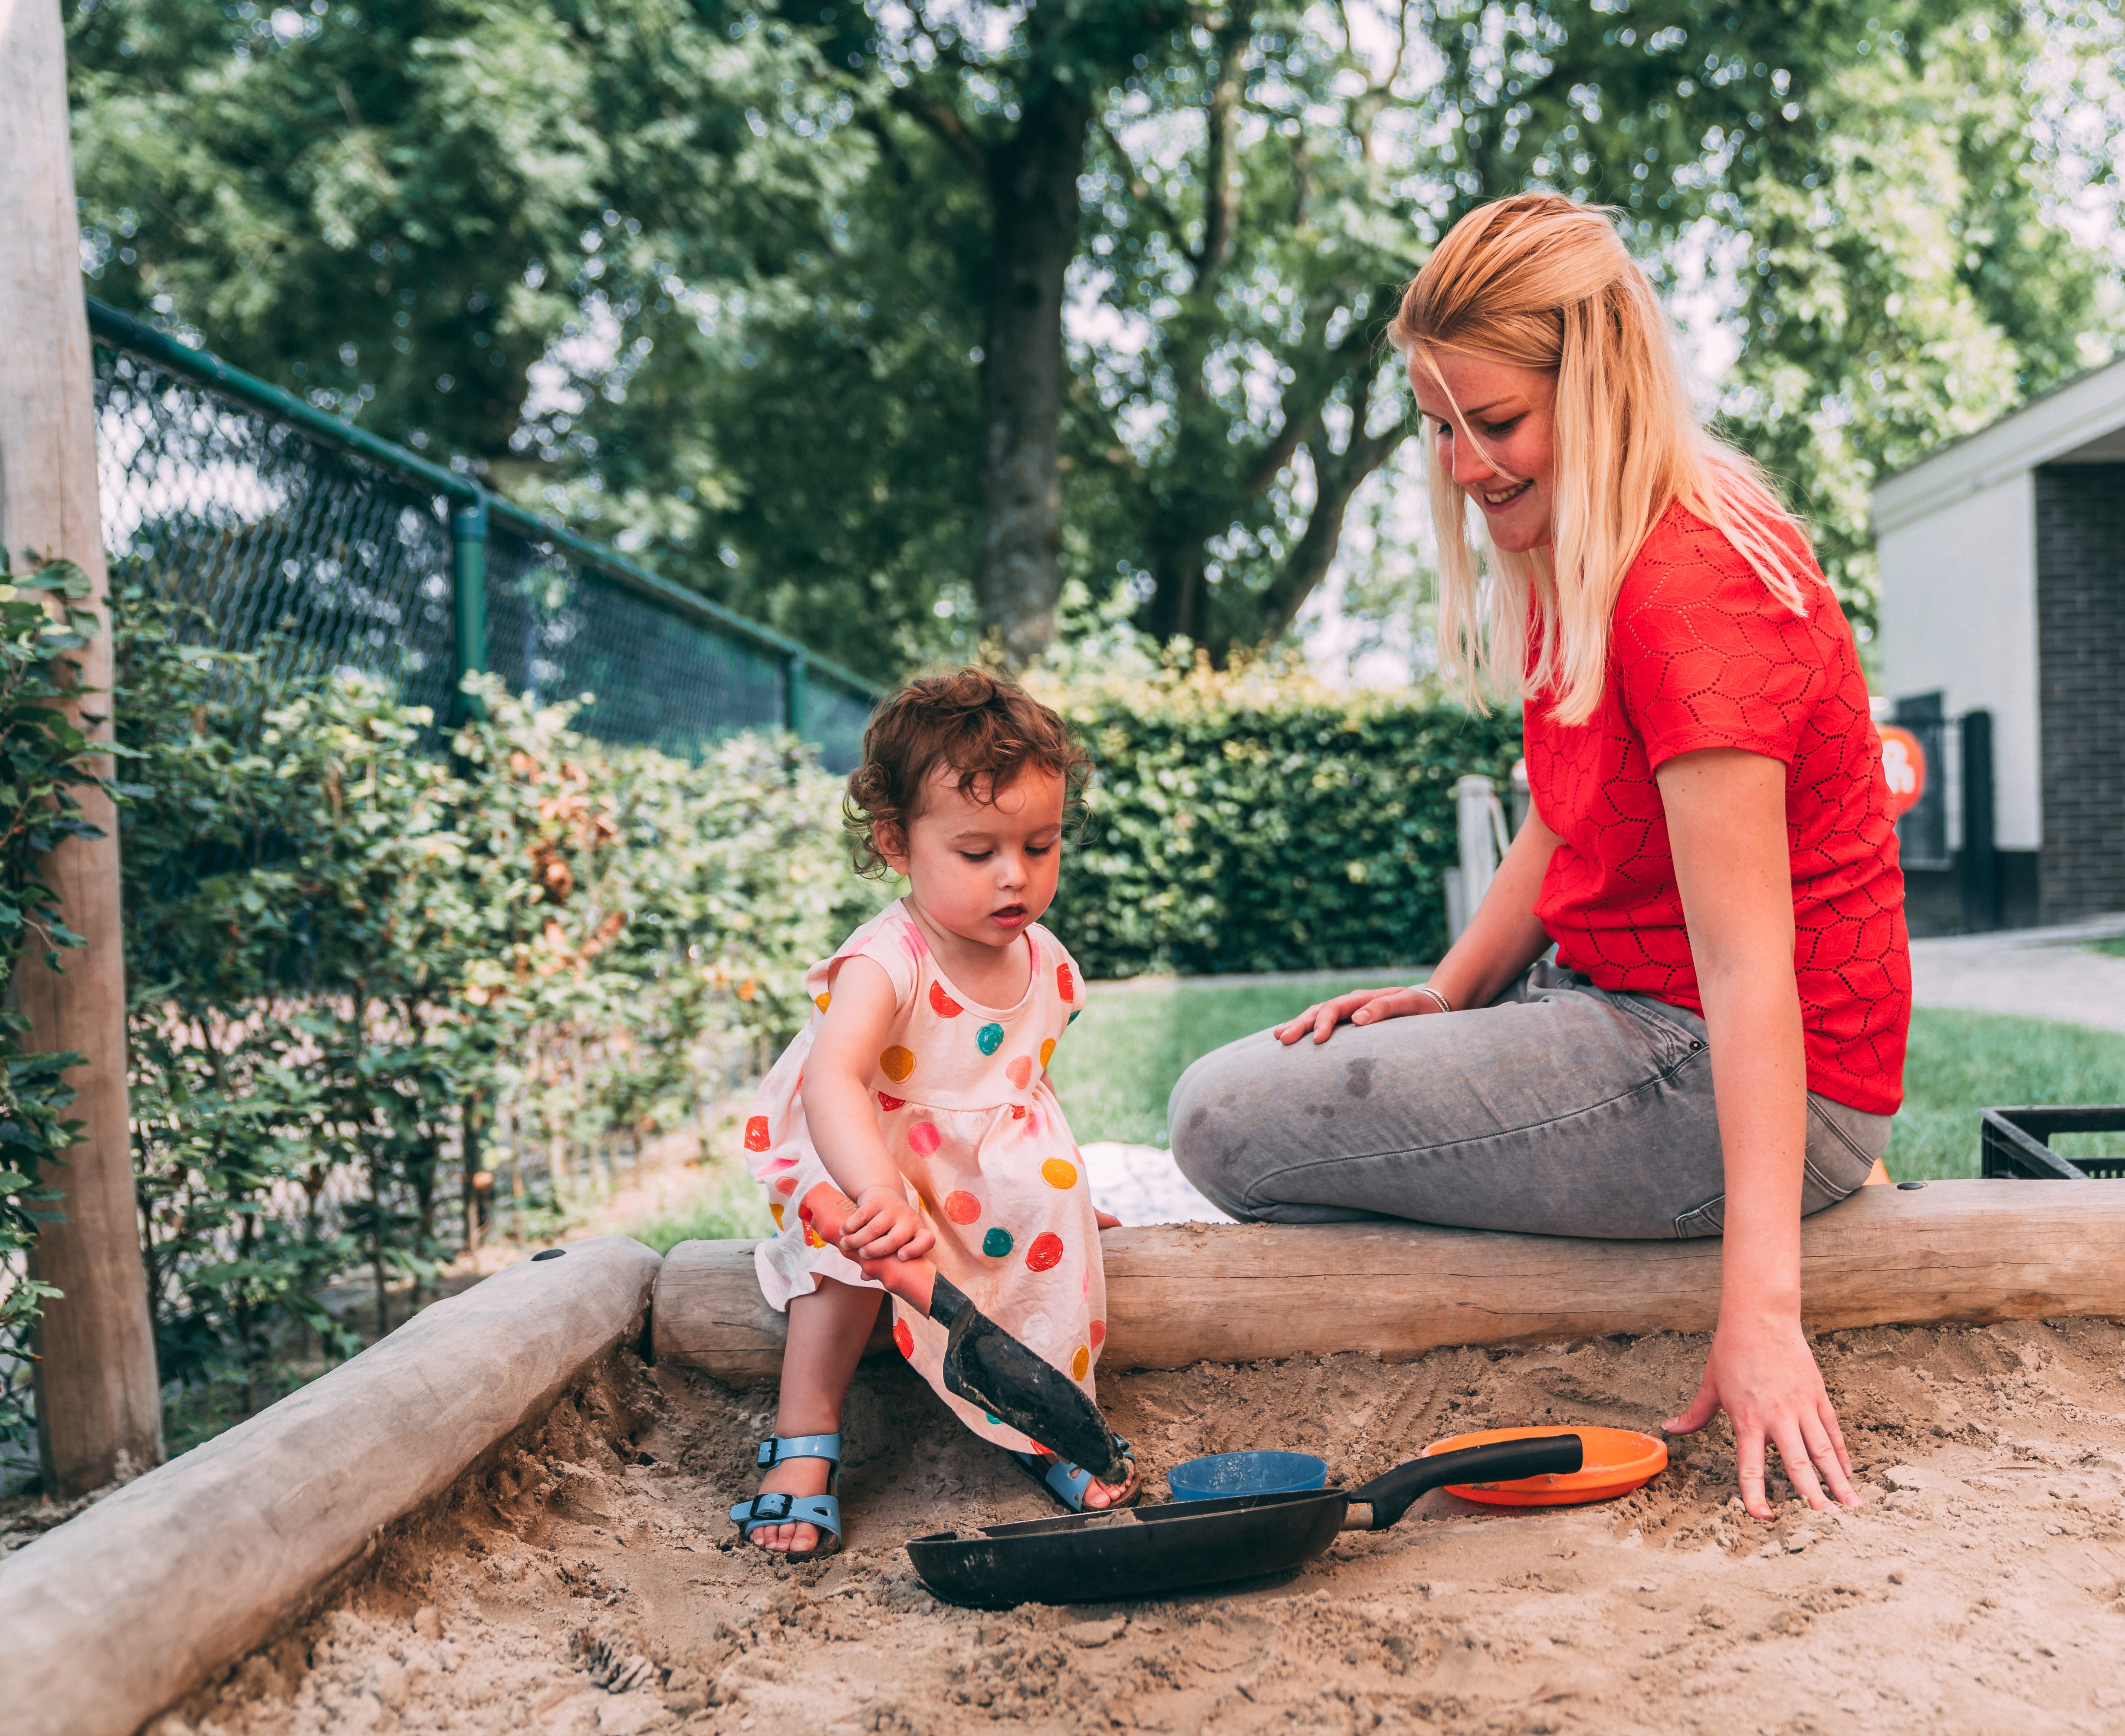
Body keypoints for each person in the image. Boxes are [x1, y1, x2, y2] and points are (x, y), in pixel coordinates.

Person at [1166, 192, 1910, 1523]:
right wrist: (1451, 993)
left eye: (1493, 422)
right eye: (1439, 426)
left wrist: (1761, 1311)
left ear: (1606, 382)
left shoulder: (1691, 589)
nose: (1460, 464)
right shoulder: (1600, 541)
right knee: (1269, 1100)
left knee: (1222, 1124)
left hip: (1723, 1070)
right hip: (1619, 1014)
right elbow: (1571, 813)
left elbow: (1750, 973)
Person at [732, 670, 1133, 1557]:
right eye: (978, 851)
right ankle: (807, 1433)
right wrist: (876, 1188)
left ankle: (1046, 1422)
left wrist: (1058, 1189)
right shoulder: (888, 958)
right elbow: (834, 1081)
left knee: (1053, 1232)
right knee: (849, 1257)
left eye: (1040, 845)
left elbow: (1021, 1086)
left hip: (970, 1160)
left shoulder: (1045, 962)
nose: (1015, 877)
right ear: (897, 842)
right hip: (862, 1145)